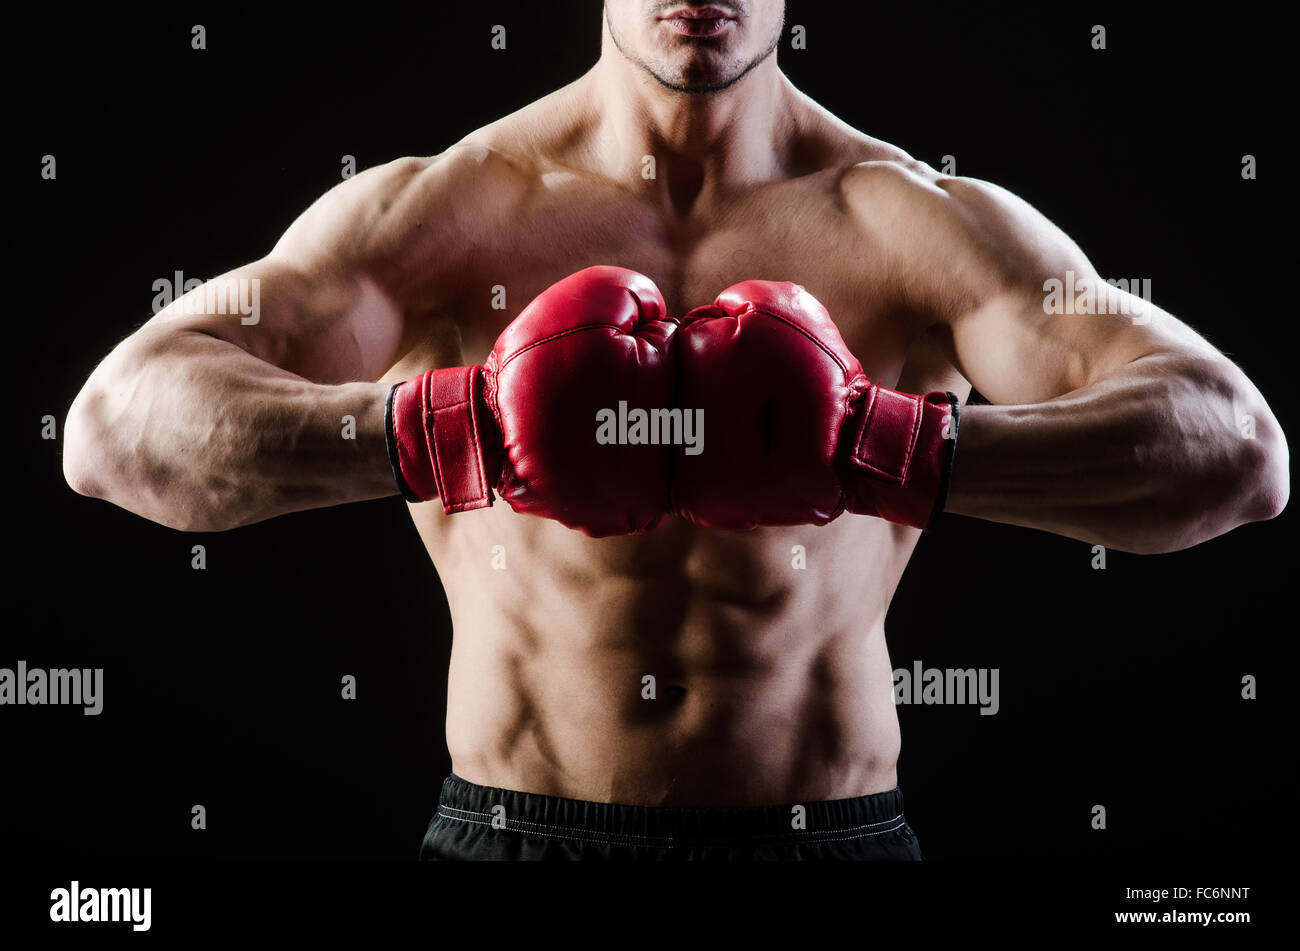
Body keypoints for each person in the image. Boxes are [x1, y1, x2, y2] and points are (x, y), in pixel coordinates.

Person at [62, 1, 1288, 860]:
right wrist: (453, 431)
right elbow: (116, 428)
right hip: (511, 835)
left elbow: (1233, 450)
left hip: (830, 842)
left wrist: (887, 447)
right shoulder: (445, 208)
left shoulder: (912, 221)